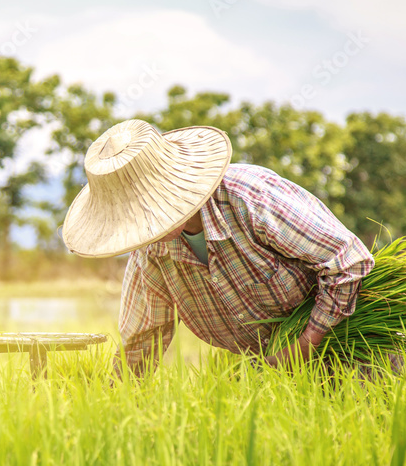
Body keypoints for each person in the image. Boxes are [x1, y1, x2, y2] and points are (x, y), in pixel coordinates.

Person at [60, 118, 375, 377]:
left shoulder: (249, 200)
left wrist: (305, 345)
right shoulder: (150, 253)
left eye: (151, 211)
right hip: (272, 372)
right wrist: (108, 404)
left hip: (351, 350)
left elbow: (347, 261)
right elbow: (142, 341)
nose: (147, 228)